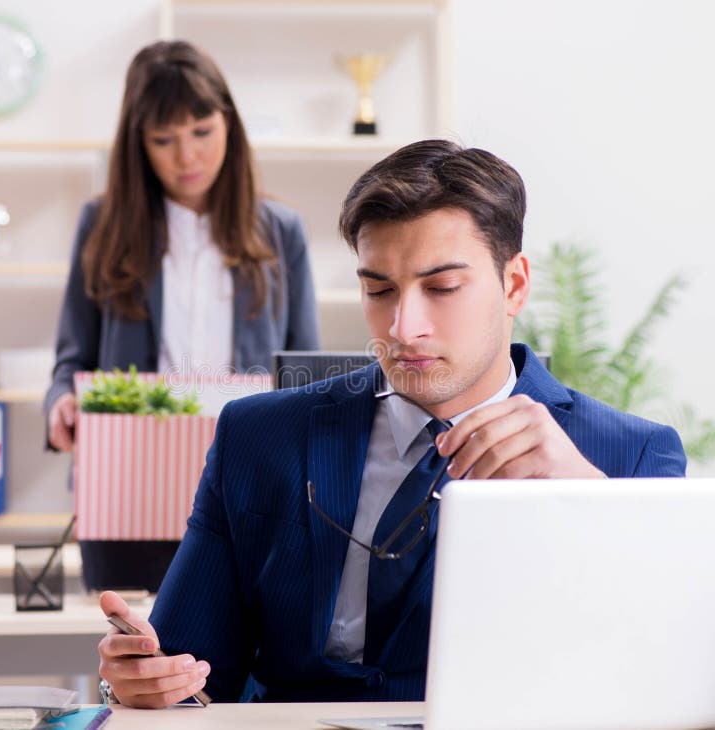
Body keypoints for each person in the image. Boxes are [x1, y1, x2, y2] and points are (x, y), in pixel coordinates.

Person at [97, 139, 686, 706]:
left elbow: (672, 668)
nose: (404, 328)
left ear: (514, 285)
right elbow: (190, 671)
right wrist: (146, 680)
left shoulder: (628, 459)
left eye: (443, 287)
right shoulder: (257, 436)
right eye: (379, 290)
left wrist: (589, 503)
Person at [43, 40, 319, 592]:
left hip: (250, 487)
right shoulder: (102, 224)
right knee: (133, 662)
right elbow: (72, 356)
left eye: (201, 132)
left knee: (238, 665)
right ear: (137, 144)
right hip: (127, 485)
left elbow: (302, 371)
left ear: (229, 125)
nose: (186, 157)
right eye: (163, 140)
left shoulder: (279, 229)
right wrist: (62, 403)